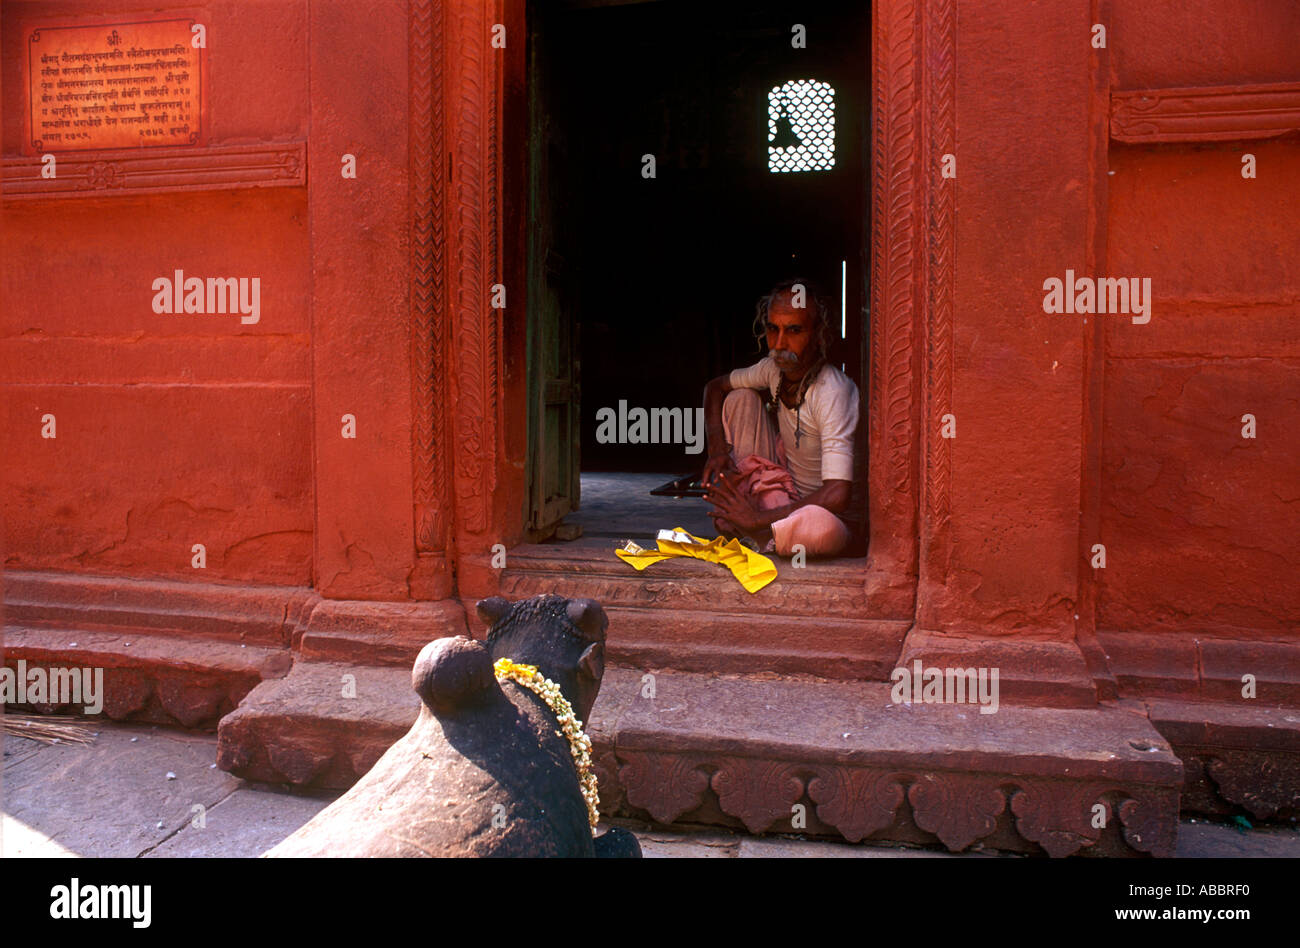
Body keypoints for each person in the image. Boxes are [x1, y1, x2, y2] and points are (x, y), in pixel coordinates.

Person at [702, 279, 859, 558]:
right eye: (773, 329)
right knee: (740, 398)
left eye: (794, 330)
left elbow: (837, 495)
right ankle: (764, 529)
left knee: (819, 528)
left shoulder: (834, 391)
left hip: (820, 510)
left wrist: (757, 518)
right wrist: (716, 449)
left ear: (819, 335)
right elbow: (715, 387)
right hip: (781, 493)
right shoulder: (772, 369)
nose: (779, 343)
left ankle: (757, 528)